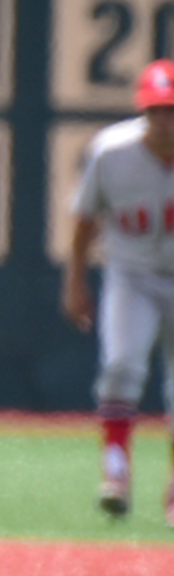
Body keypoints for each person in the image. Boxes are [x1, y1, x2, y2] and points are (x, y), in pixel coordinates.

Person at [63, 58, 174, 525]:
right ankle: (116, 471)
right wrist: (75, 281)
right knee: (120, 364)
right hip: (132, 276)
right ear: (142, 111)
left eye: (172, 110)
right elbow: (85, 220)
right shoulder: (112, 151)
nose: (165, 120)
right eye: (157, 110)